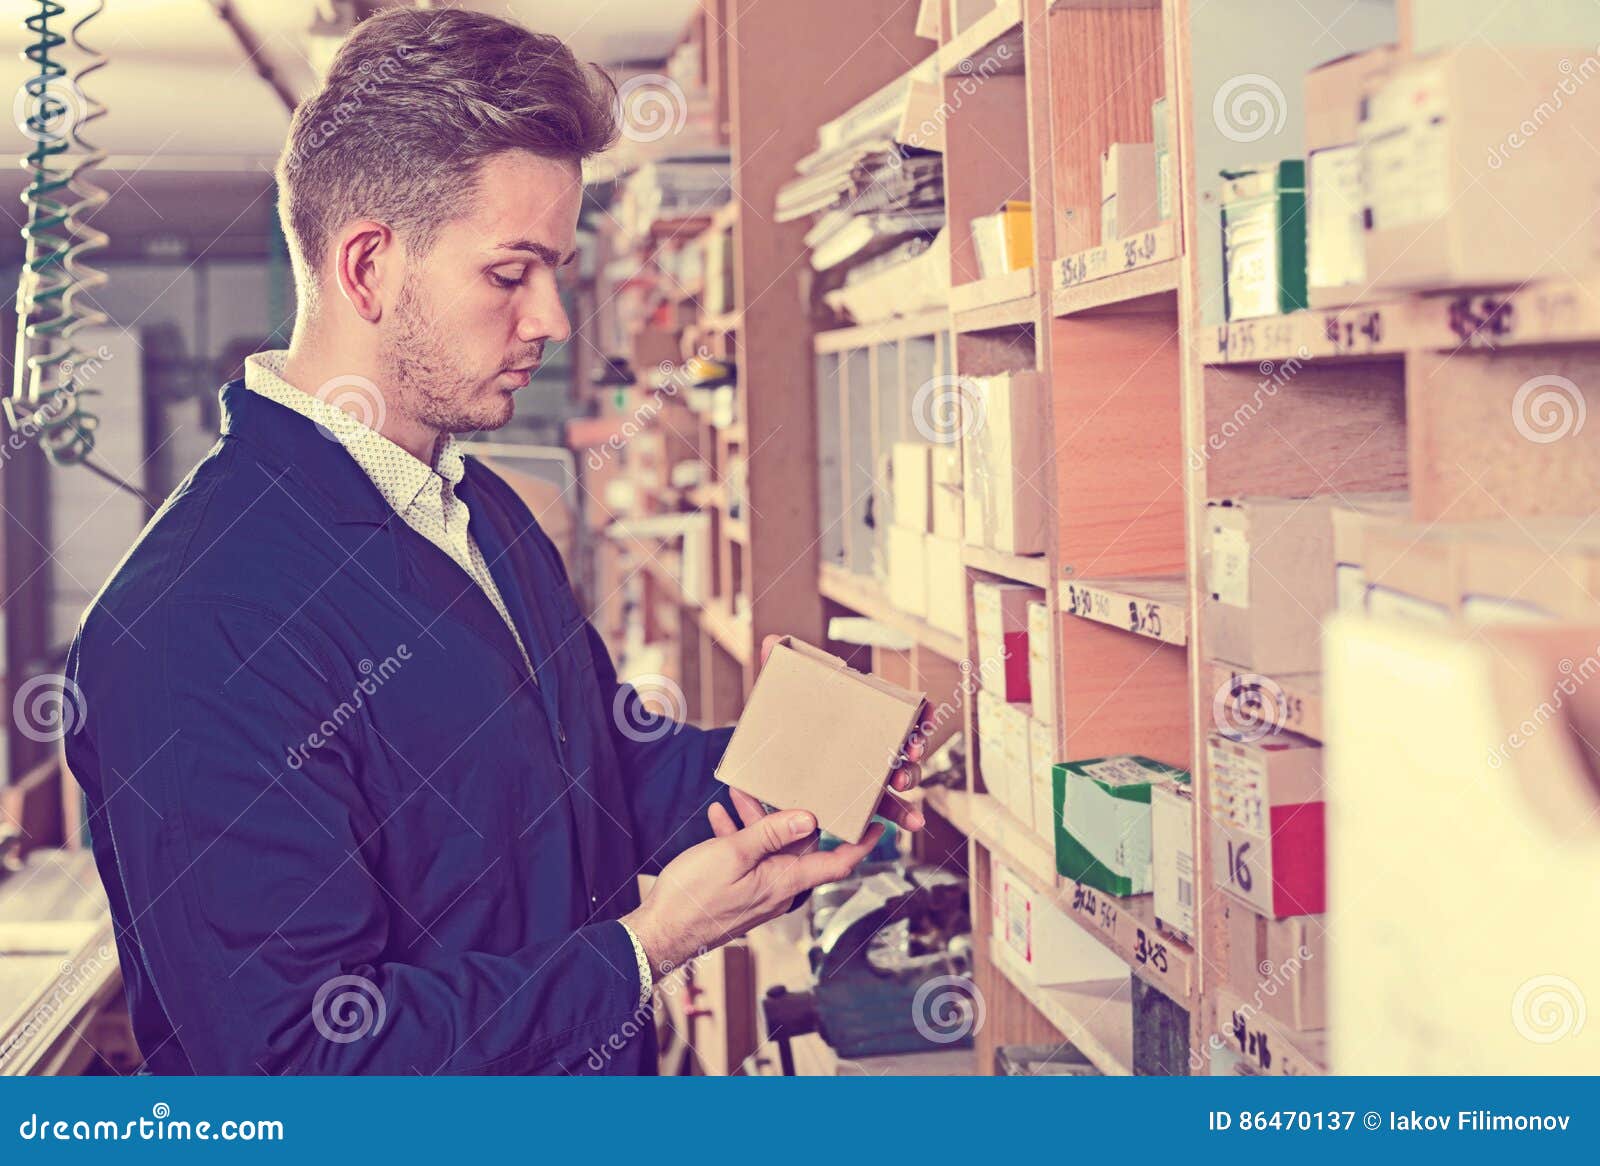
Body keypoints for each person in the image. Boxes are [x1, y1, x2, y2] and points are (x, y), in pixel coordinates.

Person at [63, 7, 922, 1075]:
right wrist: (646, 949)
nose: (553, 319)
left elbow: (596, 779)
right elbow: (296, 1065)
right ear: (369, 267)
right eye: (511, 274)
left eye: (555, 271)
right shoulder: (197, 620)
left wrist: (834, 765)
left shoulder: (485, 519)